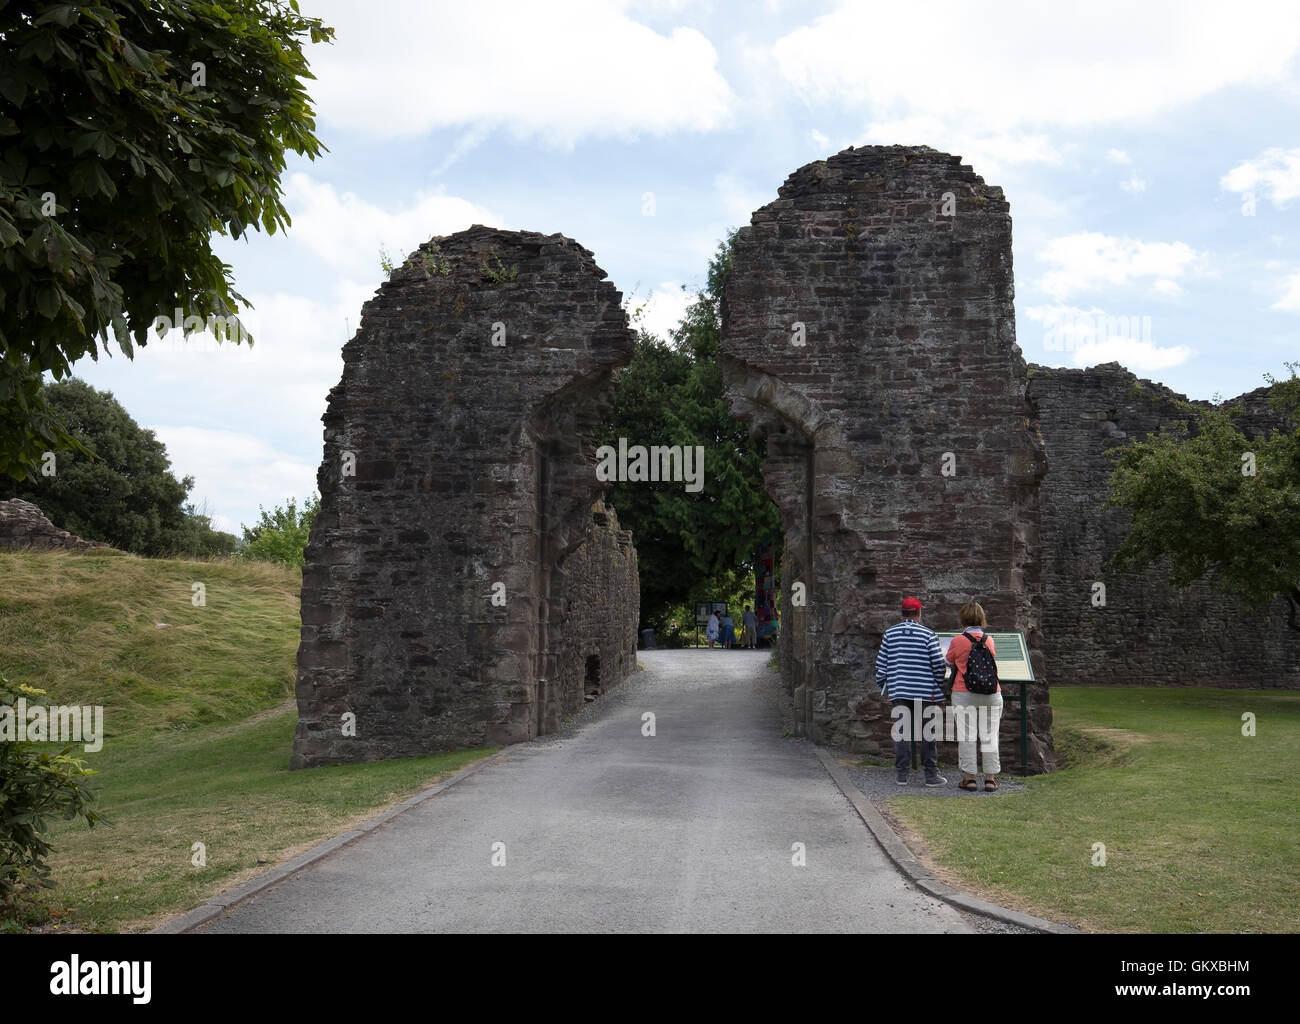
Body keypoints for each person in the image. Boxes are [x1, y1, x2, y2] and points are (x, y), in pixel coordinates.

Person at [875, 597, 947, 787]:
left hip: (899, 690)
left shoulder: (890, 634)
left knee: (902, 732)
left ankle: (901, 775)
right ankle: (931, 775)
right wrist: (937, 684)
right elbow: (939, 664)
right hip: (924, 691)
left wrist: (885, 684)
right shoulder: (928, 634)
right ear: (919, 613)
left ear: (902, 613)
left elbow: (881, 665)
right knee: (927, 733)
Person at [944, 600, 1002, 792]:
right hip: (991, 692)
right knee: (990, 735)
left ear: (962, 618)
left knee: (967, 735)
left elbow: (948, 660)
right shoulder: (989, 640)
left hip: (964, 692)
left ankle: (969, 778)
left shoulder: (958, 640)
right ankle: (990, 779)